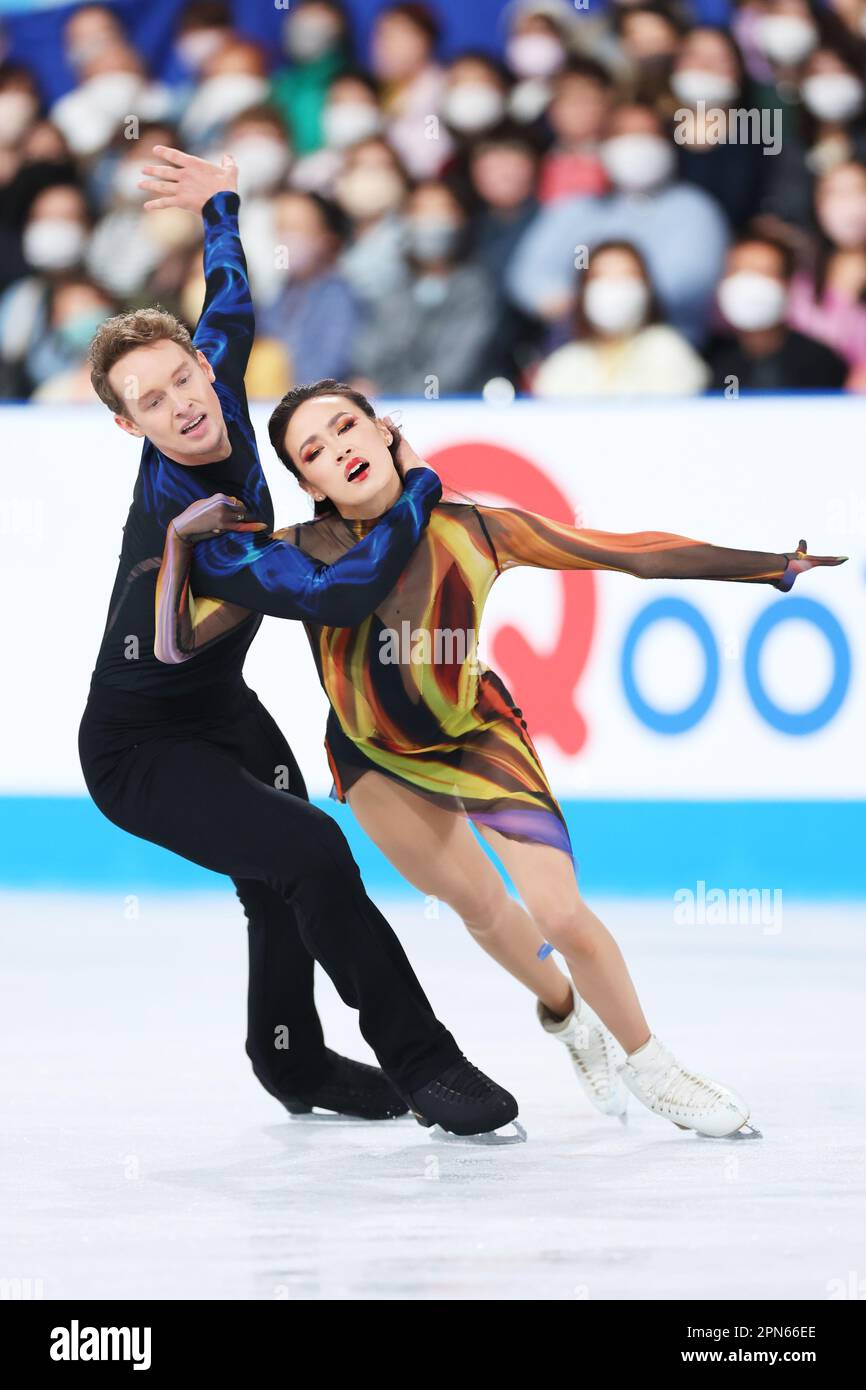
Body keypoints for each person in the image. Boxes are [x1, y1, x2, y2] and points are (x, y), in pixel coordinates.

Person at [155, 377, 847, 1139]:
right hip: (375, 758)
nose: (339, 449)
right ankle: (565, 1015)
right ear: (306, 483)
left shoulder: (476, 528)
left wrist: (767, 565)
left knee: (559, 912)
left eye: (347, 427)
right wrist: (175, 542)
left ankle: (653, 1067)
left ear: (384, 431)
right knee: (479, 907)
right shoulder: (295, 557)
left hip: (480, 737)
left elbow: (627, 555)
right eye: (313, 451)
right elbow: (180, 635)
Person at [78, 144, 518, 1139]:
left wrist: (221, 202)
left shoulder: (216, 380)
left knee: (278, 878)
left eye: (184, 377)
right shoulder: (195, 523)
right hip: (138, 751)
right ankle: (426, 1063)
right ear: (127, 426)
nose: (183, 405)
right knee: (311, 849)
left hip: (220, 716)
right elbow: (336, 590)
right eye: (152, 403)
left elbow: (228, 296)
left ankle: (289, 1058)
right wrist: (412, 488)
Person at [532, 239, 710, 397]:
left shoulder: (669, 351)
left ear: (646, 288)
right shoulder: (564, 363)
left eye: (627, 275)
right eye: (601, 276)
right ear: (583, 290)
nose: (614, 286)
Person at [706, 230, 849, 389]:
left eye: (764, 272)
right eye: (740, 270)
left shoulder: (820, 362)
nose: (750, 283)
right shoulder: (710, 359)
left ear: (787, 283)